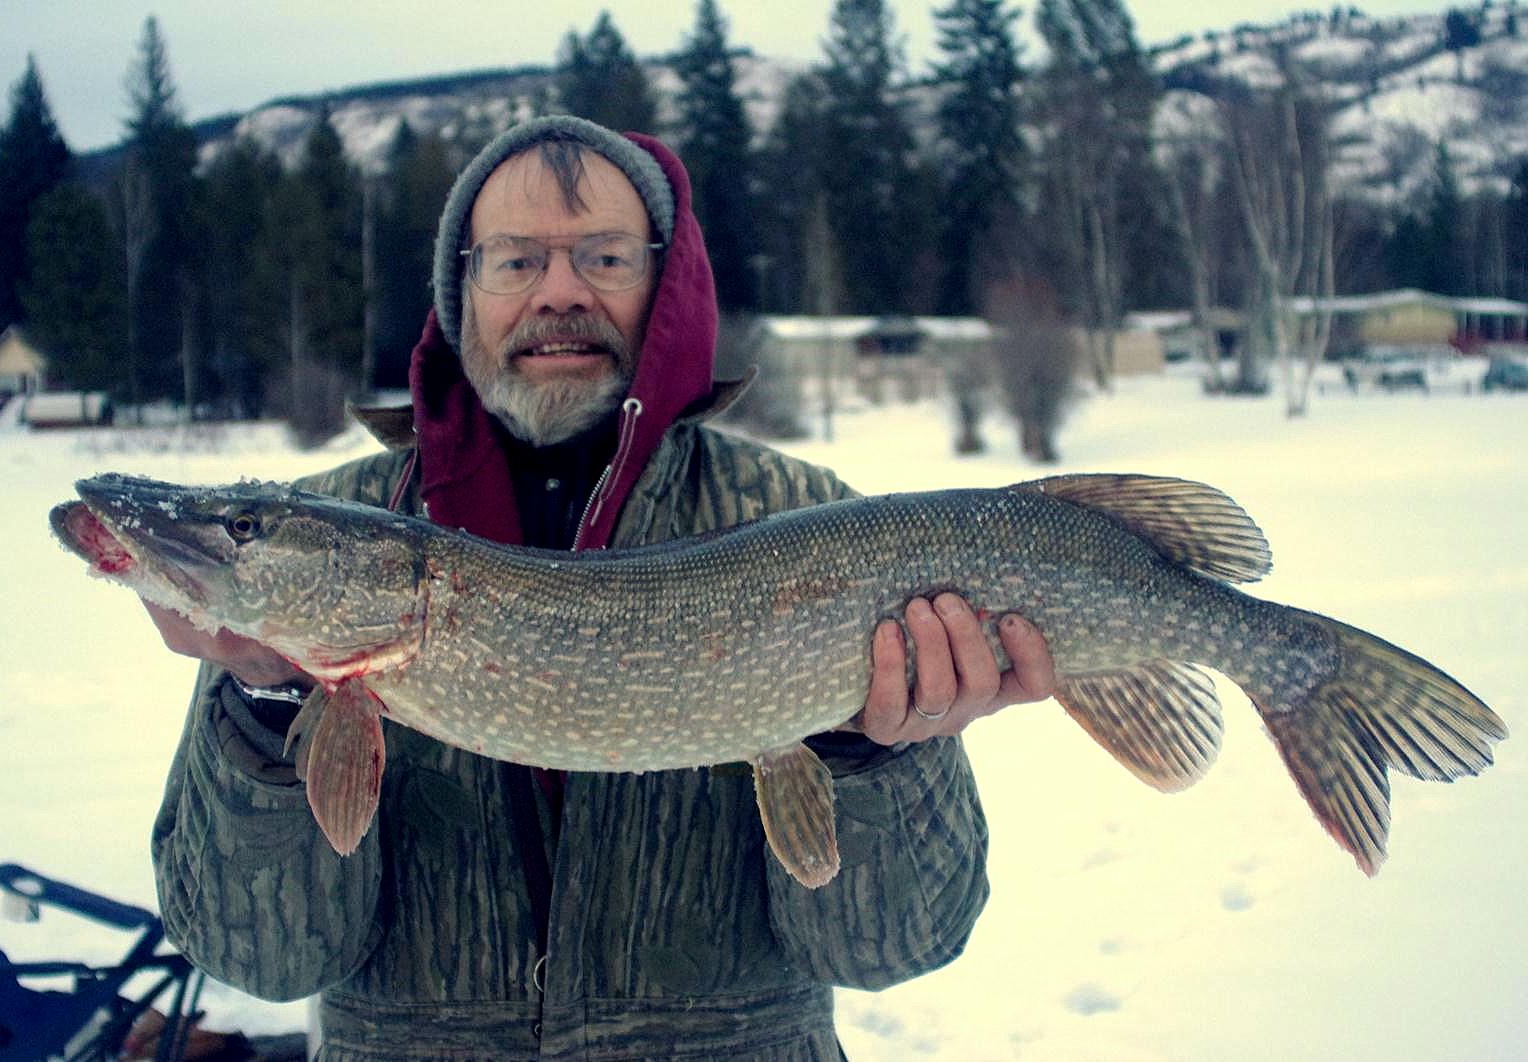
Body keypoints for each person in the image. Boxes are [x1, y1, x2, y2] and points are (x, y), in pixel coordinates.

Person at [146, 116, 1056, 1060]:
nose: (561, 292)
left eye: (606, 257)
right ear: (462, 289)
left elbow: (891, 947)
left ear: (665, 286)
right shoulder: (333, 540)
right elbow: (258, 956)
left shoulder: (808, 522)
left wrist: (876, 755)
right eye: (516, 260)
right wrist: (266, 704)